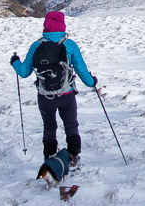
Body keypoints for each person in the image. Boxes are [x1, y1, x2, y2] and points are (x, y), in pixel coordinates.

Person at [11, 10, 100, 163]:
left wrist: (15, 61)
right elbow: (81, 69)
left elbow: (24, 72)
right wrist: (92, 82)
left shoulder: (36, 45)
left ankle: (50, 158)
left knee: (49, 127)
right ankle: (73, 158)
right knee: (71, 125)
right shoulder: (69, 45)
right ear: (62, 25)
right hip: (67, 95)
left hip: (45, 97)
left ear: (45, 25)